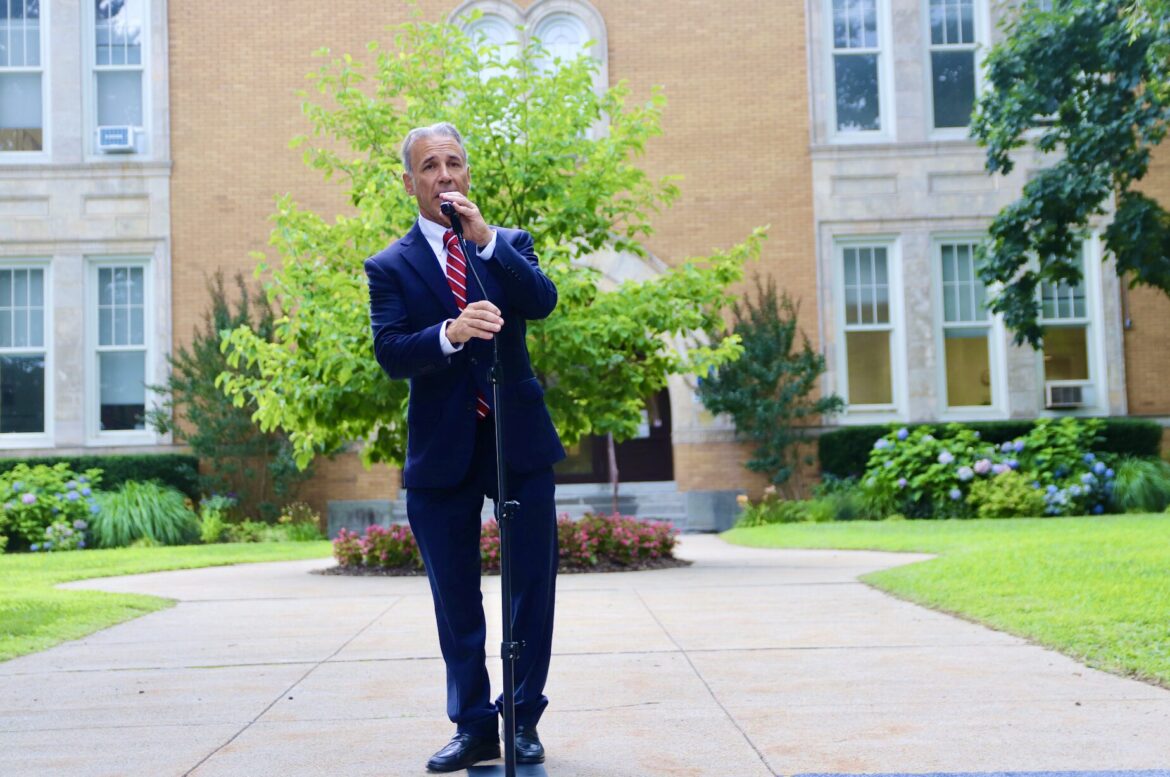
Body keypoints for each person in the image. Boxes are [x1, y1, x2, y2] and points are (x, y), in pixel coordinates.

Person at [364, 122, 565, 773]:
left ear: (468, 175)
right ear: (409, 182)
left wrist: (488, 243)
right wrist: (448, 333)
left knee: (530, 584)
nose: (444, 175)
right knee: (455, 596)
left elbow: (542, 301)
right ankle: (475, 725)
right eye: (429, 166)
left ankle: (524, 717)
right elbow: (391, 352)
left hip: (516, 440)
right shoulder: (390, 266)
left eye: (453, 163)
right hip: (441, 448)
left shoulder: (507, 245)